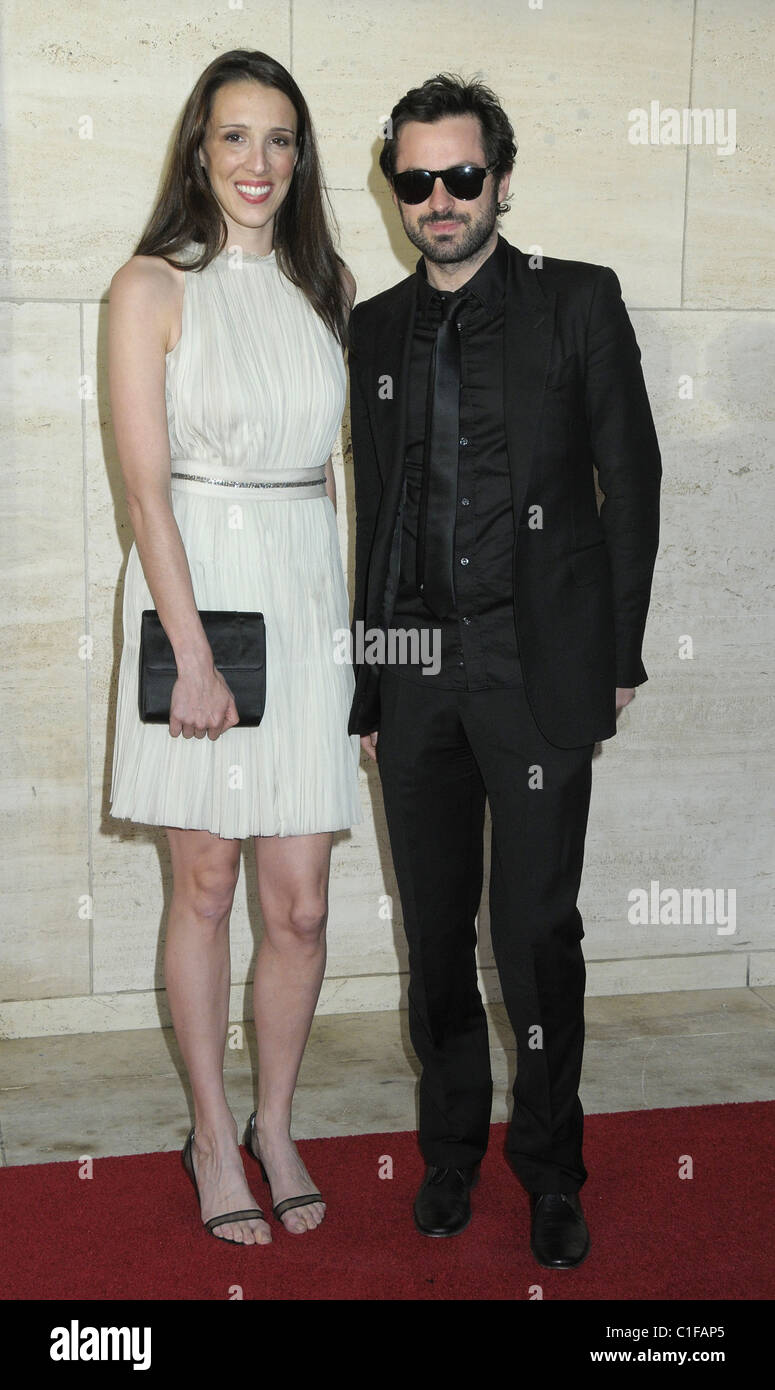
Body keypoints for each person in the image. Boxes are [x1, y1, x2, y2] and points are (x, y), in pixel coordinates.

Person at [347, 74, 661, 1268]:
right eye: (416, 178)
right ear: (398, 190)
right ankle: (445, 1154)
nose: (439, 198)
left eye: (461, 176)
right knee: (434, 934)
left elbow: (627, 483)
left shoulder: (576, 303)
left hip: (534, 669)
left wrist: (618, 649)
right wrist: (375, 682)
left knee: (531, 934)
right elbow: (377, 517)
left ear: (501, 180)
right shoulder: (375, 327)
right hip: (418, 665)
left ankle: (548, 1164)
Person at [108, 49, 362, 1246]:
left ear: (299, 157)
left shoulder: (328, 287)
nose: (257, 164)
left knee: (301, 903)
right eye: (234, 139)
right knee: (206, 882)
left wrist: (357, 639)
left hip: (305, 601)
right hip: (199, 589)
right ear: (198, 150)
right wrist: (190, 650)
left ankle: (276, 1122)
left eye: (279, 140)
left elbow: (337, 482)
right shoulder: (150, 286)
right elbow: (147, 493)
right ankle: (211, 1134)